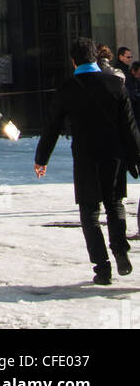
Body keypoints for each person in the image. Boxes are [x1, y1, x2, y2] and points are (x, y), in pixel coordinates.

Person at [35, 35, 140, 285]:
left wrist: (41, 158)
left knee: (90, 213)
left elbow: (52, 127)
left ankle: (102, 268)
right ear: (96, 57)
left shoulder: (68, 88)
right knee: (115, 204)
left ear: (73, 61)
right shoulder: (116, 84)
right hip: (114, 155)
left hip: (85, 157)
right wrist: (136, 156)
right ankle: (121, 251)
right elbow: (129, 126)